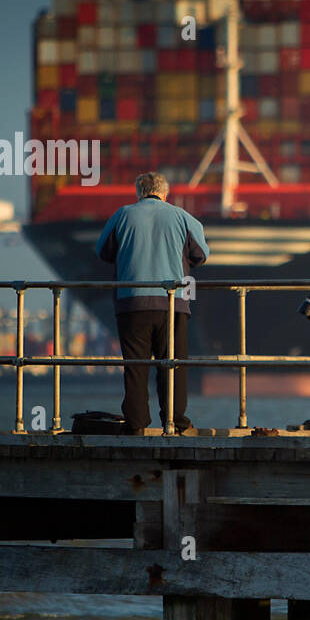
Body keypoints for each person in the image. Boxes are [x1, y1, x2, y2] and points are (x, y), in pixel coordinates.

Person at [95, 172, 208, 434]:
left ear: (139, 192)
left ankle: (136, 425)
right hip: (173, 304)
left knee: (135, 366)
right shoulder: (181, 217)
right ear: (165, 193)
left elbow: (104, 252)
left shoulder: (122, 215)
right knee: (173, 365)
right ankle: (177, 422)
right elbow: (200, 254)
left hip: (131, 302)